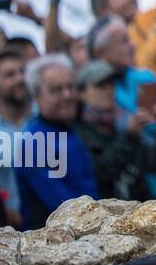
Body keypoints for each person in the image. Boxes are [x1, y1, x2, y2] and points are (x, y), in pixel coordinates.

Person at [87, 14, 156, 197]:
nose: (133, 46)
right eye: (123, 41)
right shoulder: (86, 93)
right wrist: (134, 130)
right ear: (100, 52)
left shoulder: (141, 76)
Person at [15, 54, 99, 229]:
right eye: (56, 90)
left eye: (70, 87)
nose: (67, 95)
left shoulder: (73, 130)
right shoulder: (33, 142)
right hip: (55, 245)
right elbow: (62, 206)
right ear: (37, 96)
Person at [74, 59, 156, 203]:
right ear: (81, 93)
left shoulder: (123, 119)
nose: (109, 90)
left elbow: (154, 166)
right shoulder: (77, 131)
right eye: (100, 86)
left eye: (111, 84)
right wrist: (128, 136)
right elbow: (101, 174)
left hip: (138, 208)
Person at [0, 46, 31, 226]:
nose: (20, 79)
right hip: (14, 232)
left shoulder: (50, 118)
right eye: (10, 75)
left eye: (22, 71)